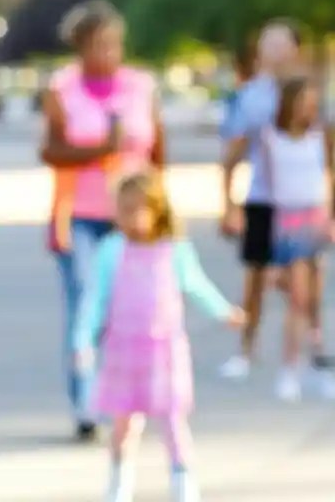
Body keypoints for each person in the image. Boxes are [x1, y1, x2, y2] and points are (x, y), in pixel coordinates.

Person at [74, 171, 245, 502]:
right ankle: (118, 484)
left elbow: (196, 285)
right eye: (124, 210)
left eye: (139, 209)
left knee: (173, 421)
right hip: (124, 351)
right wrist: (82, 339)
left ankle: (184, 483)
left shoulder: (173, 249)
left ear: (158, 210)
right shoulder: (112, 250)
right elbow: (95, 298)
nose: (132, 218)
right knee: (124, 425)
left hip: (164, 351)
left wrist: (224, 311)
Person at [41, 0, 165, 442]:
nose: (108, 54)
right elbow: (50, 151)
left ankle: (124, 399)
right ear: (79, 48)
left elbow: (156, 152)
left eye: (114, 44)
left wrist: (161, 209)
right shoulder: (62, 89)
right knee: (85, 307)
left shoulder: (140, 87)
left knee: (128, 310)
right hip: (81, 215)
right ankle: (86, 403)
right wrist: (100, 150)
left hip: (132, 217)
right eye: (98, 46)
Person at [217, 21, 335, 398]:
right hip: (263, 198)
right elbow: (234, 151)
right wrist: (228, 204)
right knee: (256, 275)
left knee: (310, 278)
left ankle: (314, 344)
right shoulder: (251, 97)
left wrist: (334, 213)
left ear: (295, 50)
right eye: (266, 44)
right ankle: (246, 348)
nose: (273, 51)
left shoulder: (310, 94)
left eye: (280, 44)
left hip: (304, 204)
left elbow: (329, 155)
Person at [260, 76, 335, 401]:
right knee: (297, 297)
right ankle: (290, 367)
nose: (308, 109)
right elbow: (267, 191)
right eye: (303, 102)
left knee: (312, 301)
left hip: (315, 219)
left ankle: (315, 362)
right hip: (287, 222)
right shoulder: (271, 138)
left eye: (313, 103)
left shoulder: (321, 136)